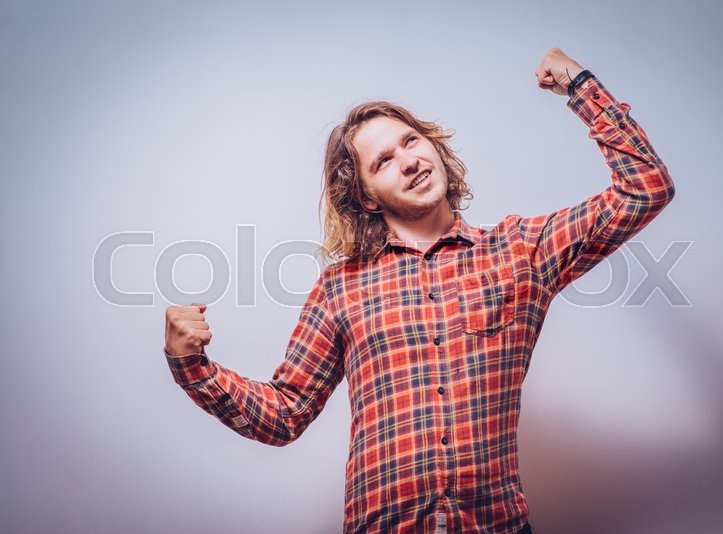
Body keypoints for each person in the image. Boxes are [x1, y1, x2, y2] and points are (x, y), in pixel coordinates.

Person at [163, 48, 675, 533]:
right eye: (383, 160)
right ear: (365, 195)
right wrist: (193, 366)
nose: (407, 161)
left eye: (411, 142)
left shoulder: (522, 251)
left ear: (434, 147)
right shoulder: (341, 288)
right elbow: (285, 414)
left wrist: (579, 86)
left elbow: (645, 187)